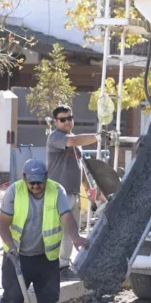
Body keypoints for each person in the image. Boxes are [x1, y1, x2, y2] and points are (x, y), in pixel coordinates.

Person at [0, 158, 89, 303]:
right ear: (24, 178)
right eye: (32, 182)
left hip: (46, 258)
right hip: (17, 256)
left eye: (39, 182)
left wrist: (76, 237)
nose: (36, 186)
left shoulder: (56, 190)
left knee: (48, 299)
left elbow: (66, 216)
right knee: (12, 298)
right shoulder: (14, 191)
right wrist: (10, 247)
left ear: (46, 177)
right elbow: (3, 225)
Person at [46, 105, 97, 279]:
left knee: (71, 231)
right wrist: (98, 137)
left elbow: (80, 167)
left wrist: (89, 187)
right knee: (56, 231)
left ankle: (63, 266)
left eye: (69, 118)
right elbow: (73, 142)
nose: (67, 122)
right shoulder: (56, 137)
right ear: (56, 122)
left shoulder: (75, 140)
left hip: (74, 193)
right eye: (63, 119)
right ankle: (48, 266)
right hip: (58, 193)